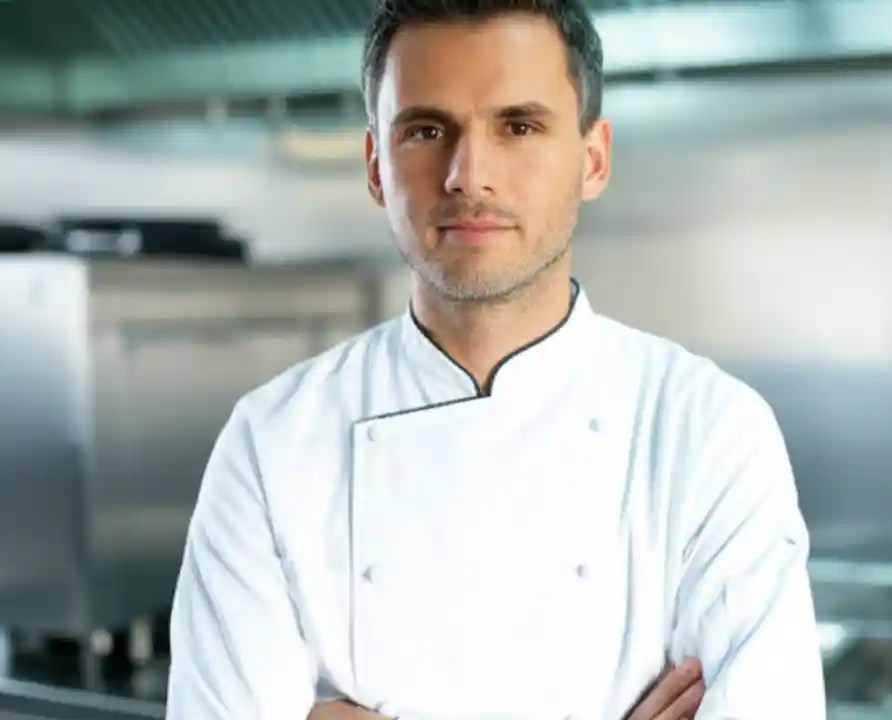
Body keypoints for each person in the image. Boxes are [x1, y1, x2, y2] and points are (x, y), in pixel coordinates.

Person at [165, 0, 825, 717]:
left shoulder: (708, 432)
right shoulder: (271, 445)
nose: (468, 175)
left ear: (593, 159)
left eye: (518, 126)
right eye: (425, 129)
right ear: (376, 167)